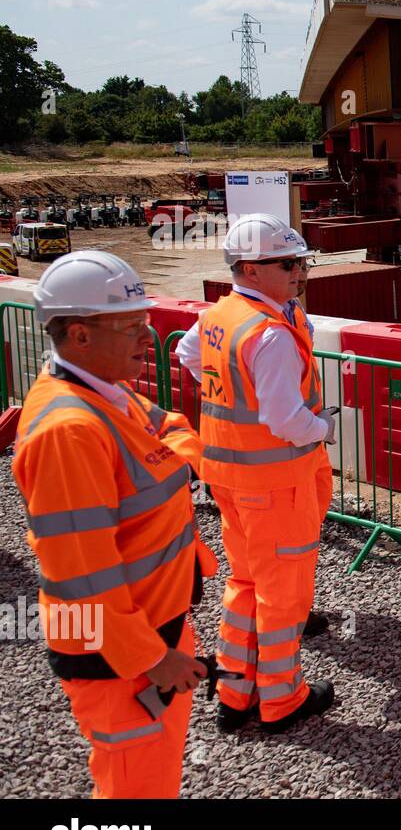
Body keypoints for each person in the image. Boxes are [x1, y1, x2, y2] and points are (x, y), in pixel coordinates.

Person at [14, 251, 217, 797]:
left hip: (152, 627)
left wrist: (176, 454)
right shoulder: (69, 432)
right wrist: (154, 661)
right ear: (79, 335)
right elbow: (85, 578)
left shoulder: (106, 390)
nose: (146, 338)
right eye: (131, 326)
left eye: (146, 323)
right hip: (123, 658)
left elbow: (170, 425)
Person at [177, 213, 335, 734]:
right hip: (275, 486)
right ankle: (282, 698)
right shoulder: (270, 335)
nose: (299, 271)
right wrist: (323, 428)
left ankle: (233, 690)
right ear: (250, 268)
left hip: (227, 476)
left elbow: (188, 355)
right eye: (287, 263)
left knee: (243, 583)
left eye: (300, 261)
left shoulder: (222, 314)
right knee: (282, 594)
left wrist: (231, 394)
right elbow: (286, 420)